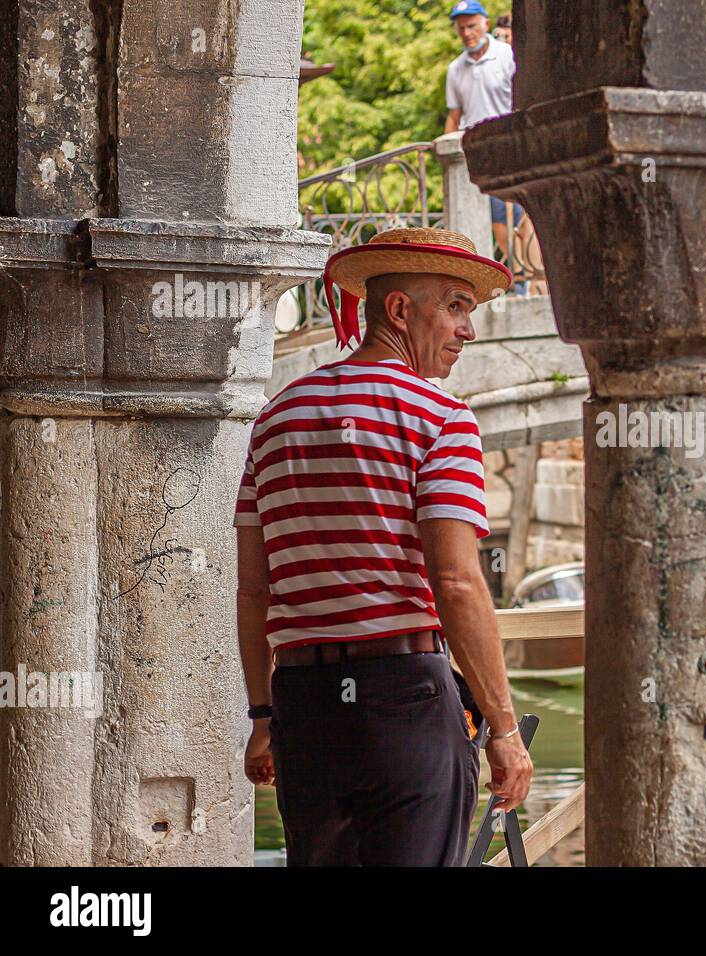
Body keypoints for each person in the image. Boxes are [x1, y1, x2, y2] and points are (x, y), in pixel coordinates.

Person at [235, 226, 533, 866]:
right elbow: (456, 584)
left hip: (304, 704)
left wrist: (263, 717)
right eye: (455, 306)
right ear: (399, 310)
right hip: (405, 699)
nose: (467, 331)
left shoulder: (274, 419)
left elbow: (256, 590)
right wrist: (504, 729)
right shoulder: (443, 419)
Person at [444, 1, 525, 287]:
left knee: (520, 213)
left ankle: (527, 277)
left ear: (486, 25)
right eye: (462, 28)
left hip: (510, 148)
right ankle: (516, 279)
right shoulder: (455, 69)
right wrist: (443, 149)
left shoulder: (507, 55)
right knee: (496, 217)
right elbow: (454, 115)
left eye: (472, 26)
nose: (467, 33)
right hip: (475, 156)